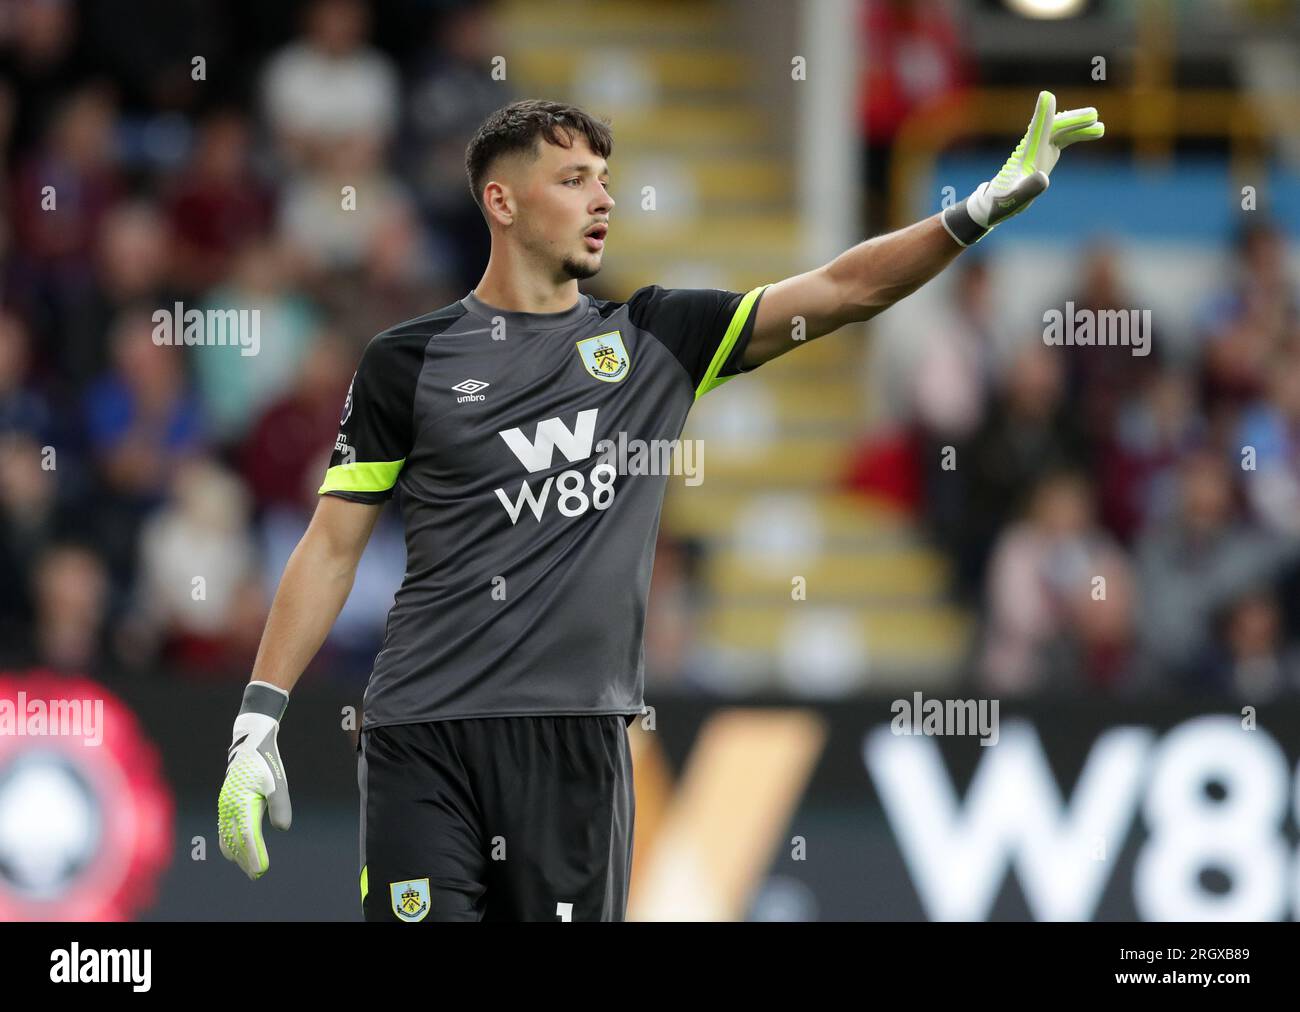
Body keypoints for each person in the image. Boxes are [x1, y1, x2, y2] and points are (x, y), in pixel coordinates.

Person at [217, 93, 1104, 921]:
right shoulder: (405, 363)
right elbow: (332, 546)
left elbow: (841, 291)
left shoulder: (653, 339)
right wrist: (259, 720)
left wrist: (975, 210)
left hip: (578, 748)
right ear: (502, 201)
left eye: (606, 179)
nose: (603, 198)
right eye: (573, 180)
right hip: (421, 734)